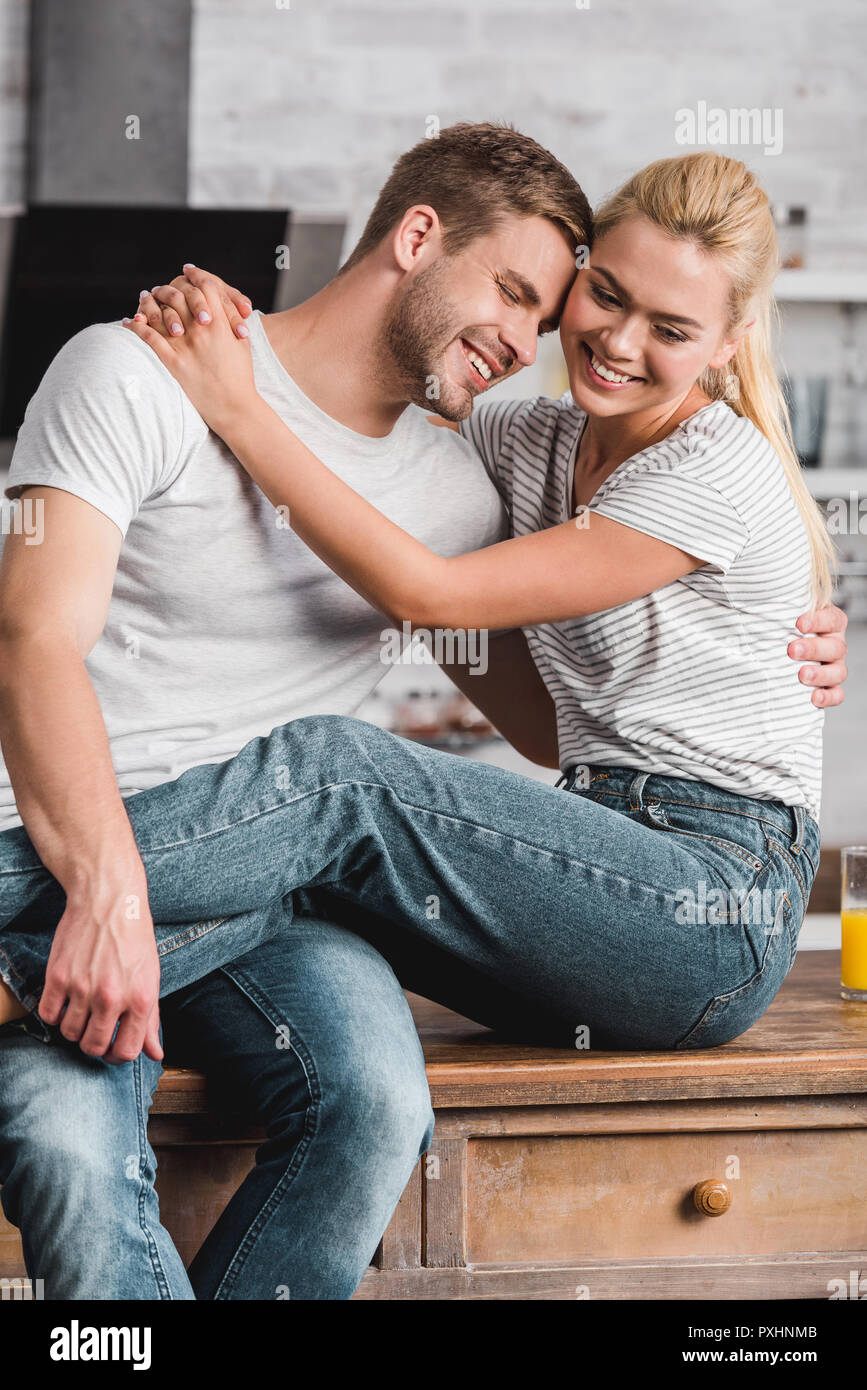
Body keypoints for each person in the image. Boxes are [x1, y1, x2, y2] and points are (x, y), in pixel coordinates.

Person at [0, 133, 845, 1301]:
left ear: (727, 344)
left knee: (347, 831)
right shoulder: (501, 442)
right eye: (576, 298)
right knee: (138, 1128)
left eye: (669, 328)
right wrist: (232, 353)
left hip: (697, 891)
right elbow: (544, 723)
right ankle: (59, 927)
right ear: (416, 236)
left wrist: (795, 621)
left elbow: (440, 605)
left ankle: (17, 932)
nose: (591, 339)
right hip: (173, 852)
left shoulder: (620, 475)